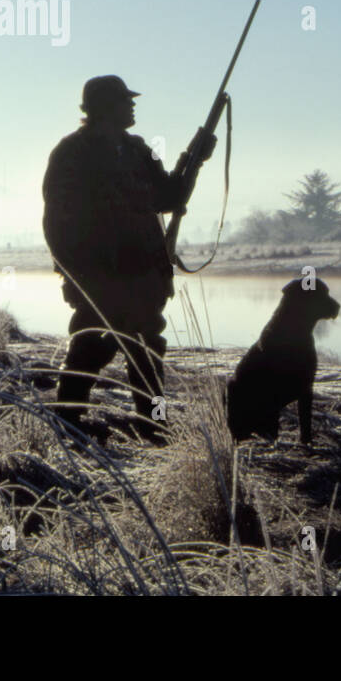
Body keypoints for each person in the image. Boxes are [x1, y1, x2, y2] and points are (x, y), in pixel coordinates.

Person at [42, 75, 214, 441]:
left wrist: (194, 158)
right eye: (125, 100)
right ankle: (68, 421)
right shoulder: (72, 152)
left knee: (148, 350)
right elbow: (57, 220)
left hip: (143, 272)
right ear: (104, 106)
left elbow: (168, 197)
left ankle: (153, 425)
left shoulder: (138, 149)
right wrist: (75, 274)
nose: (132, 105)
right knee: (90, 345)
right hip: (97, 276)